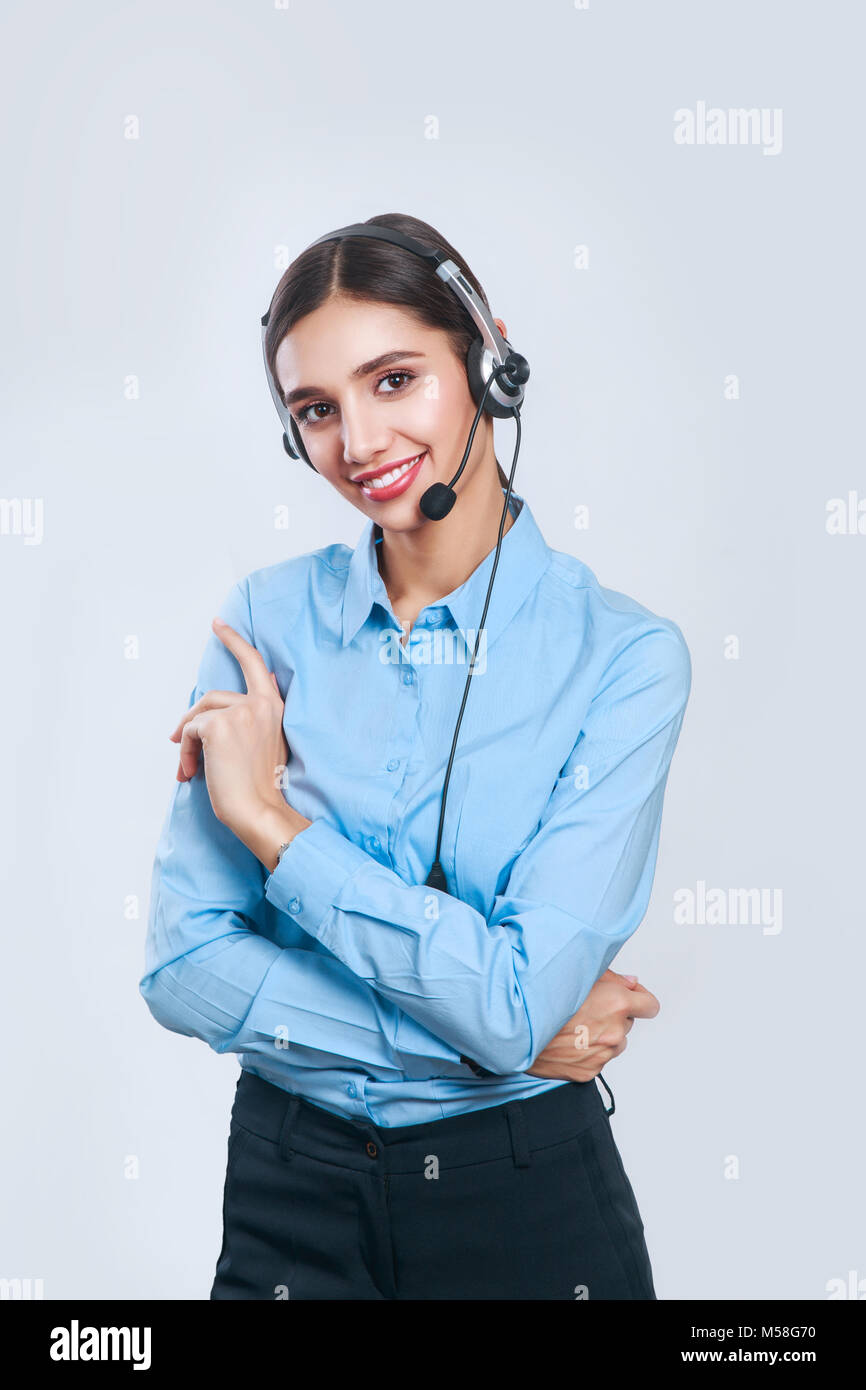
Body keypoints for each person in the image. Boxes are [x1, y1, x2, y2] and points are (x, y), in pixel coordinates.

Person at [140, 211, 691, 1301]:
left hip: (522, 1195)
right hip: (287, 1187)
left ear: (486, 356)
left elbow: (518, 998)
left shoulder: (625, 658)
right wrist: (497, 1038)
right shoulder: (267, 622)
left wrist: (271, 828)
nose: (356, 443)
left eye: (392, 380)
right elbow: (183, 968)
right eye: (314, 409)